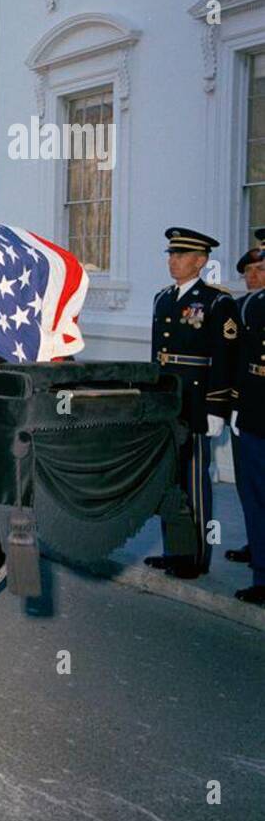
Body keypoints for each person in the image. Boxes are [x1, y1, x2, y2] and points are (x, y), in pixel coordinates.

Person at [146, 227, 238, 579]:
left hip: (198, 403)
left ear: (200, 261)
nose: (173, 261)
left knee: (195, 481)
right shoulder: (163, 298)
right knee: (170, 480)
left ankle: (196, 558)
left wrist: (217, 407)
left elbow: (224, 357)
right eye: (171, 254)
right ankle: (175, 551)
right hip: (168, 401)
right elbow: (158, 355)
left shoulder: (217, 301)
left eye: (181, 255)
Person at [227, 237, 265, 571]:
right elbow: (237, 357)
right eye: (249, 271)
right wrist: (235, 400)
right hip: (252, 400)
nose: (253, 275)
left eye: (260, 268)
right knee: (250, 483)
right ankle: (257, 546)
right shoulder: (242, 306)